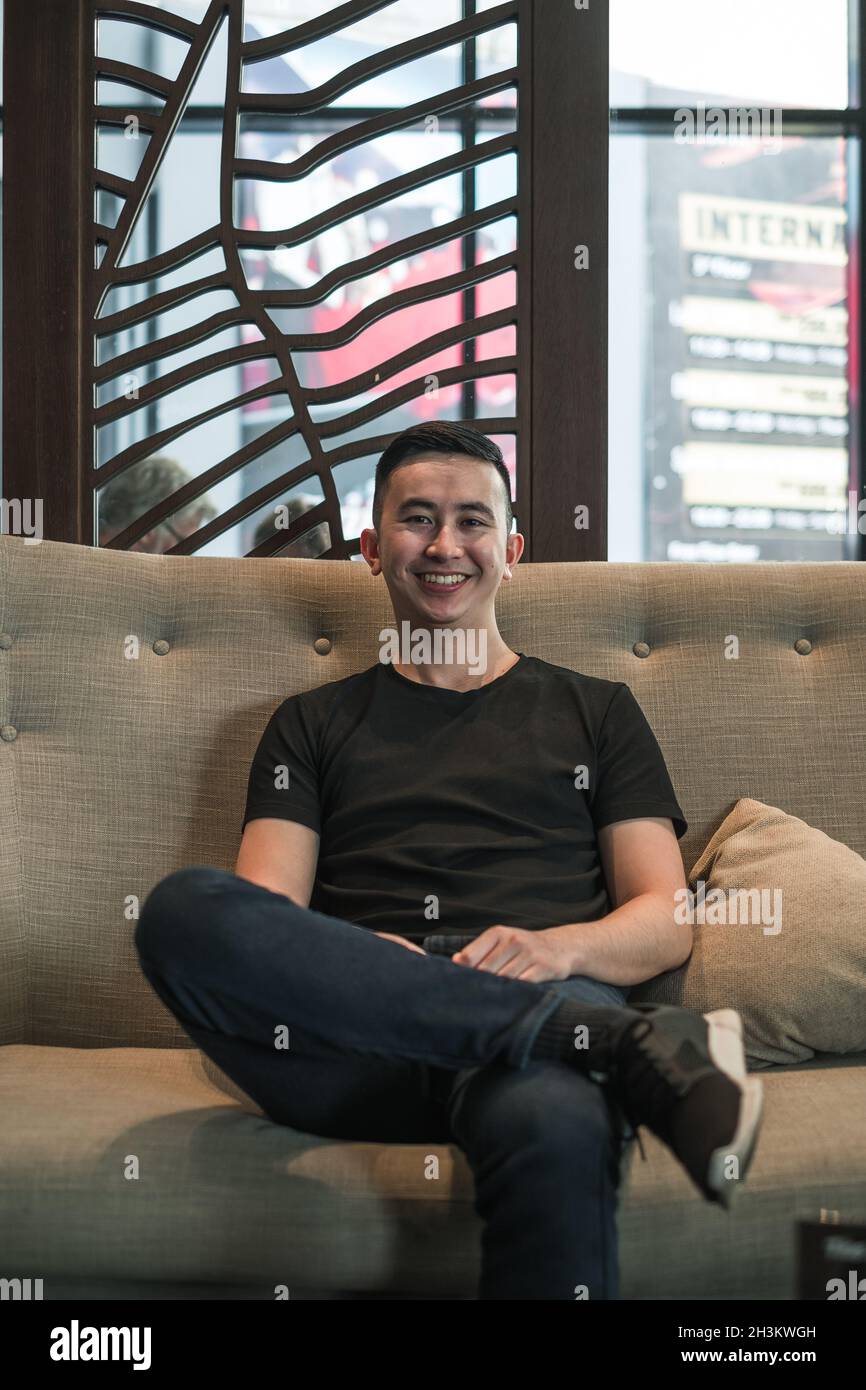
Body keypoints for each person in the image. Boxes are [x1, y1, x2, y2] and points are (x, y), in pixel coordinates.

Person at [134, 421, 764, 1300]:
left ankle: (568, 1035)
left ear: (511, 551)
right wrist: (361, 968)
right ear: (370, 548)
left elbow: (667, 916)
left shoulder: (597, 713)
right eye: (417, 519)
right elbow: (259, 918)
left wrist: (561, 951)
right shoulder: (309, 725)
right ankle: (623, 1048)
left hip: (542, 1007)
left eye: (472, 522)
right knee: (178, 913)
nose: (443, 545)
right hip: (358, 1033)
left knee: (555, 1121)